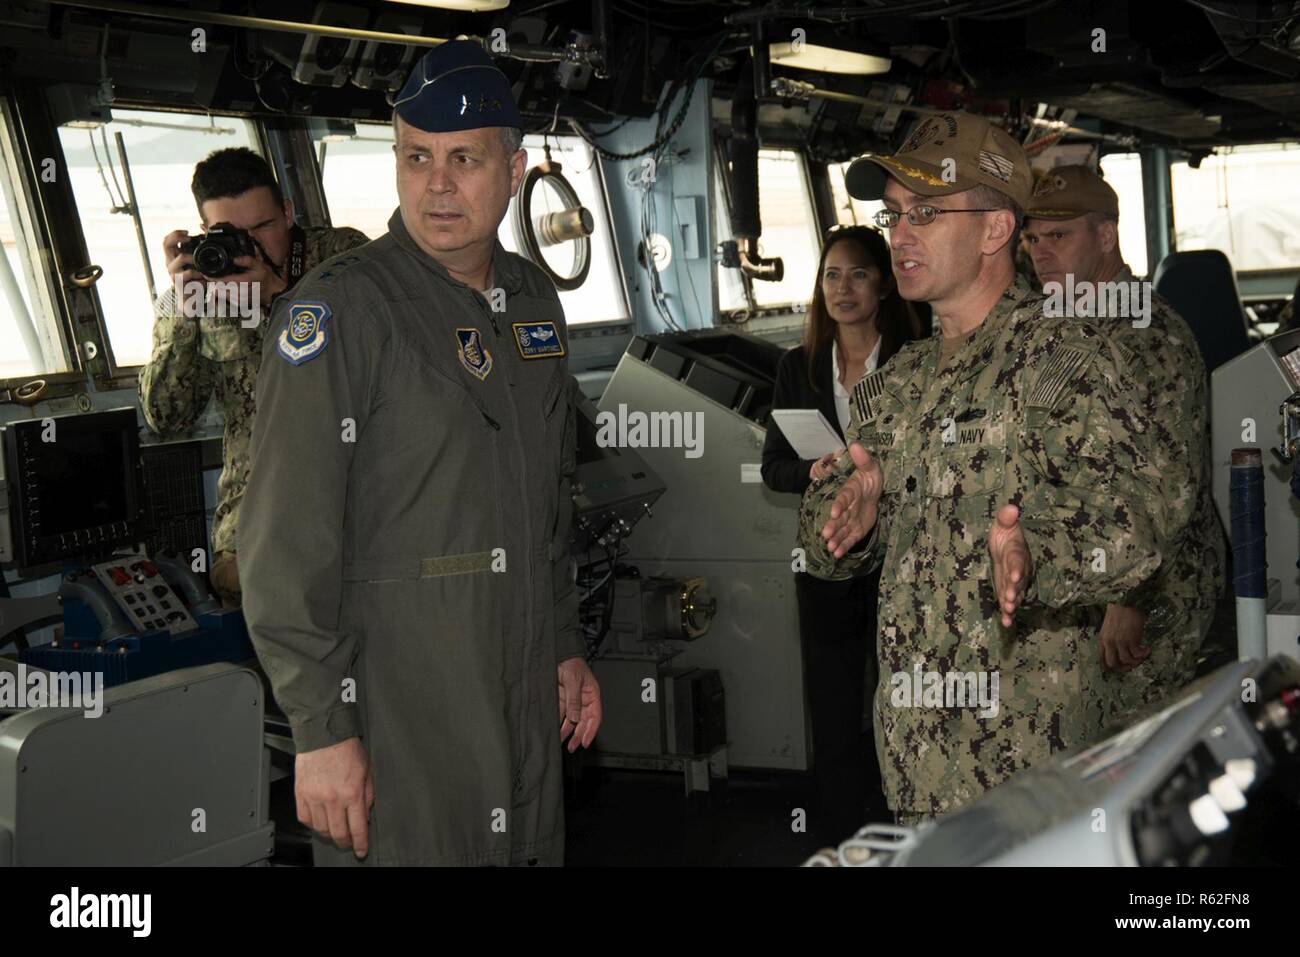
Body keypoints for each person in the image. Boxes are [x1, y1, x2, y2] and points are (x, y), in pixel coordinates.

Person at [238, 40, 601, 867]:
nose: (437, 184)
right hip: (400, 714)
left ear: (513, 171)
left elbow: (548, 493)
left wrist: (564, 641)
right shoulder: (341, 315)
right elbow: (283, 546)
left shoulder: (533, 301)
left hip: (521, 703)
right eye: (416, 157)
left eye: (464, 159)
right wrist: (323, 730)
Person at [797, 113, 1169, 824]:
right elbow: (824, 547)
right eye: (895, 214)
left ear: (996, 230)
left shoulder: (1069, 362)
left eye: (927, 213)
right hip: (914, 770)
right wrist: (849, 511)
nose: (899, 234)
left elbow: (1140, 525)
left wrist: (1040, 552)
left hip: (1026, 767)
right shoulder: (899, 382)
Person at [1023, 165, 1225, 717]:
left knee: (1134, 750)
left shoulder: (1148, 335)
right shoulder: (1061, 324)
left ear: (1106, 236)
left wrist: (1129, 595)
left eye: (1058, 237)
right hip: (1090, 582)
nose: (1040, 252)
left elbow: (1172, 483)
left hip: (1150, 590)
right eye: (1033, 238)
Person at [137, 147, 368, 606]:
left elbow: (377, 362)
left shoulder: (343, 258)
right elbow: (166, 417)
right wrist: (185, 313)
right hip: (252, 525)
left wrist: (277, 295)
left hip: (353, 507)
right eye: (234, 234)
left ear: (287, 212)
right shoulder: (205, 288)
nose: (254, 246)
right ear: (207, 233)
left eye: (263, 227)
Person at [761, 225, 921, 841]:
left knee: (899, 697)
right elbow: (775, 468)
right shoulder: (796, 367)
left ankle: (900, 824)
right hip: (825, 561)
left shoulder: (916, 358)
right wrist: (815, 468)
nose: (843, 288)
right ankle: (840, 837)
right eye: (832, 275)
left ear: (883, 284)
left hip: (899, 561)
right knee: (831, 706)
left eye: (857, 274)